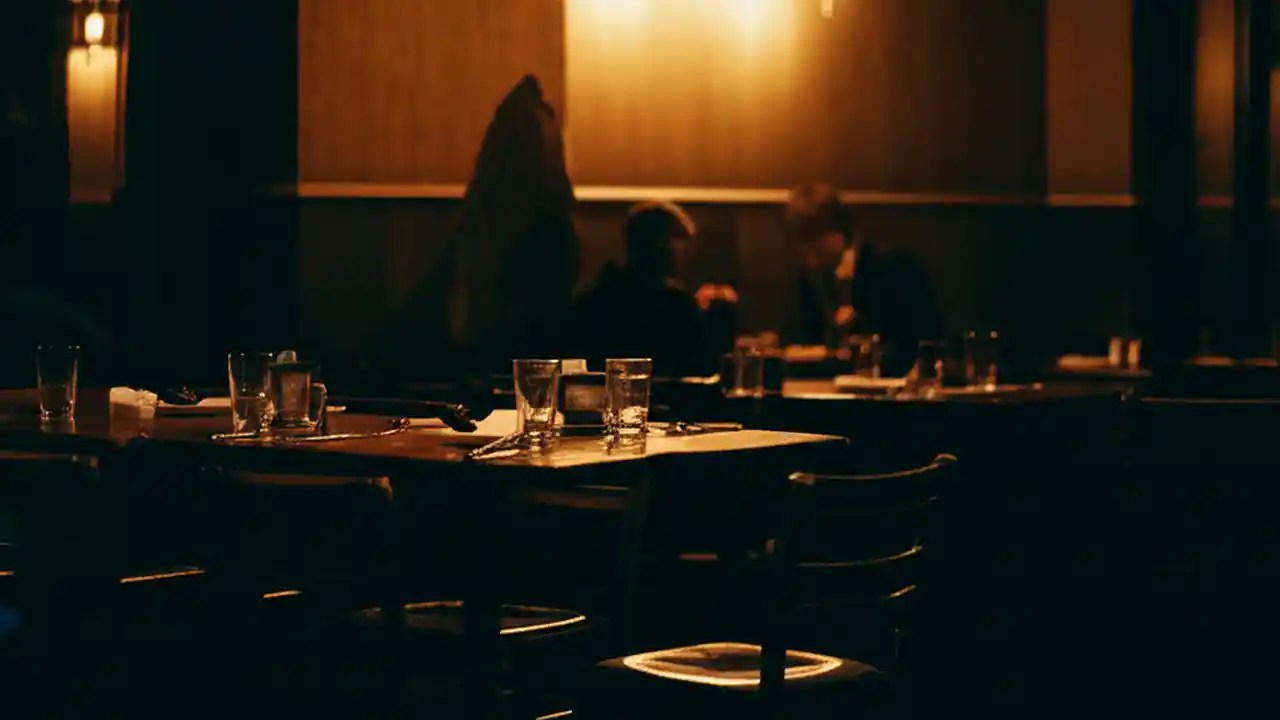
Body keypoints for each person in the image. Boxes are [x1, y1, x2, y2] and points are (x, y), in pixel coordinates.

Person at [783, 183, 941, 375]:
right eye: (802, 241)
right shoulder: (810, 276)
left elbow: (918, 337)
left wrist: (857, 322)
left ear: (839, 230)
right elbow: (800, 334)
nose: (807, 250)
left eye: (814, 238)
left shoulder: (892, 265)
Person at [571, 201, 734, 377]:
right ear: (662, 243)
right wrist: (718, 316)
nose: (686, 254)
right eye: (680, 243)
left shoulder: (594, 301)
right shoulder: (674, 306)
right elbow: (705, 369)